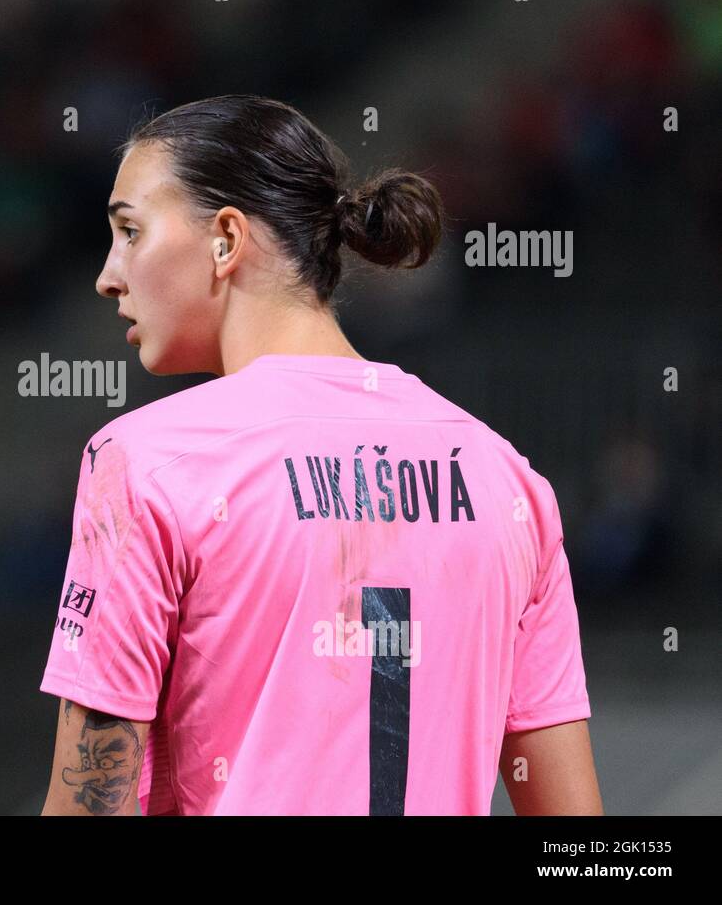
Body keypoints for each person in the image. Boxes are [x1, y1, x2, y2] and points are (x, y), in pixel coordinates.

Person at [38, 95, 601, 816]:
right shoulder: (508, 482)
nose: (108, 275)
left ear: (226, 238)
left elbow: (90, 807)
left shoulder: (145, 461)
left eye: (129, 231)